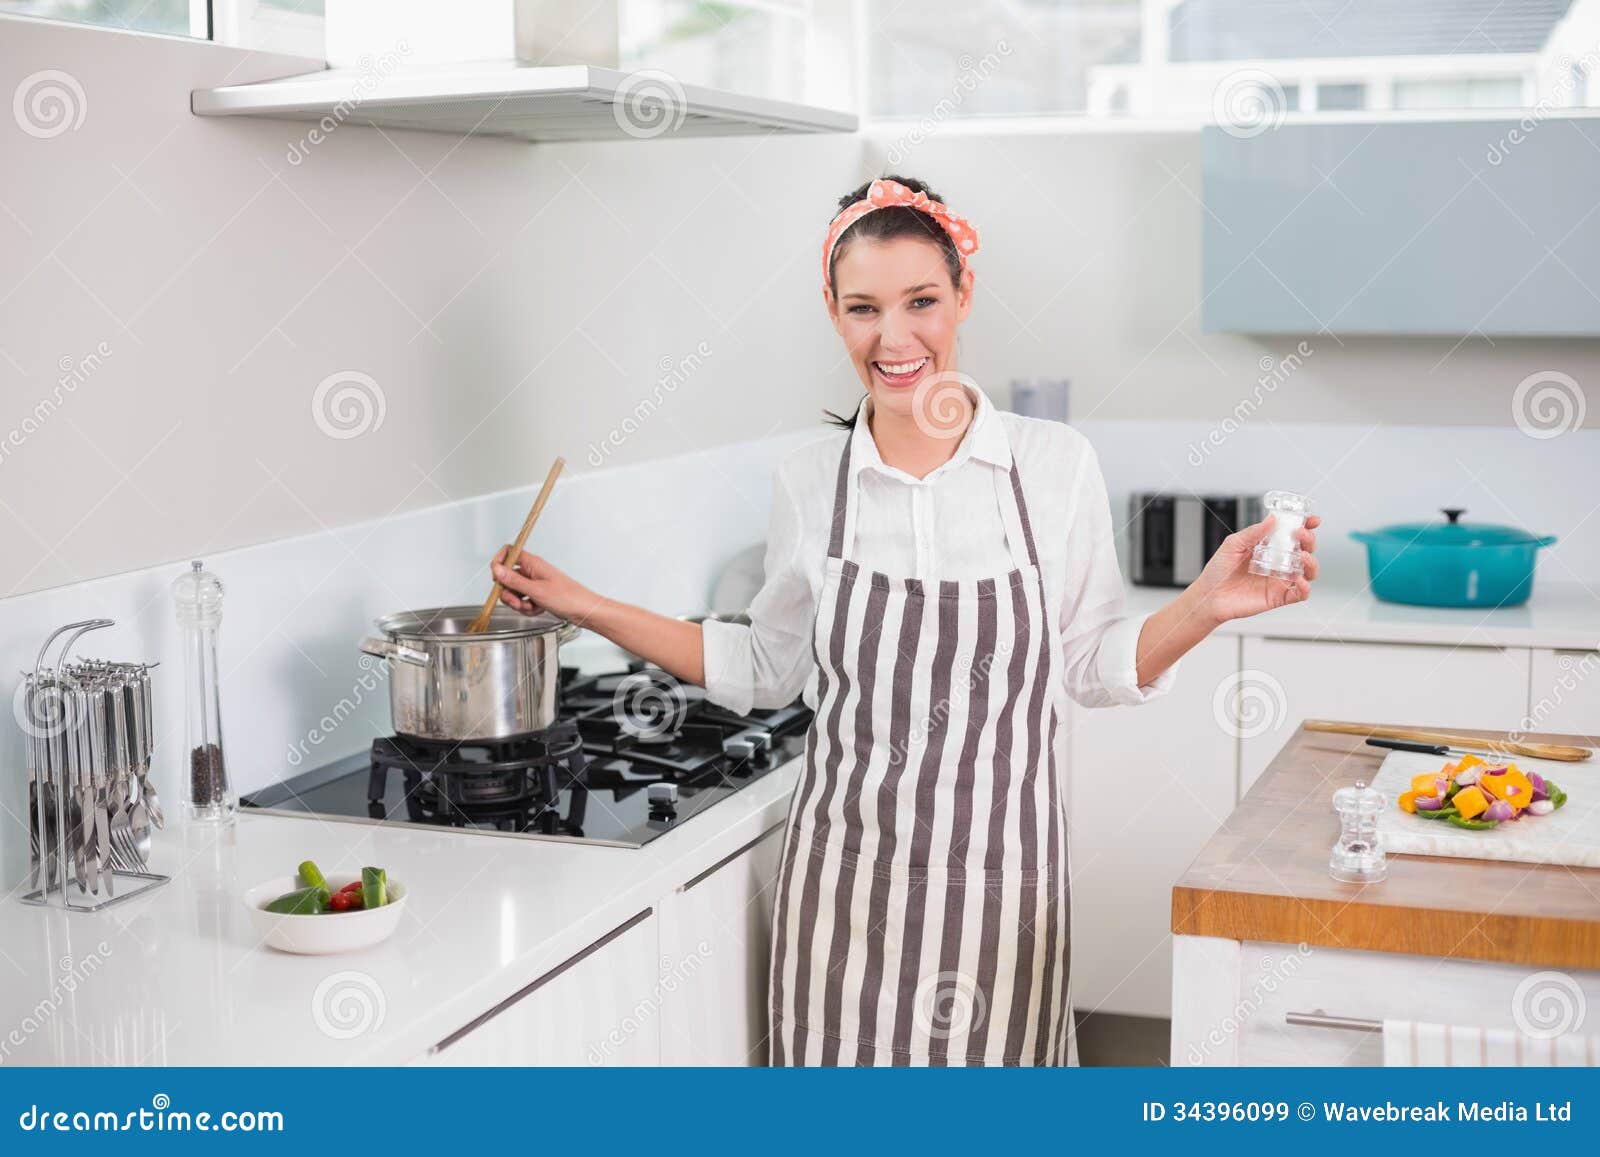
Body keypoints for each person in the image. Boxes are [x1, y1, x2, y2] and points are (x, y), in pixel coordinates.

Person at [490, 175, 1321, 1066]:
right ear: (834, 314)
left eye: (921, 300)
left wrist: (1205, 603)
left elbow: (1090, 663)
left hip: (1004, 898)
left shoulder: (1050, 466)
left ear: (964, 294)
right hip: (845, 891)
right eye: (864, 308)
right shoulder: (813, 481)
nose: (894, 338)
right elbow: (765, 667)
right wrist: (584, 605)